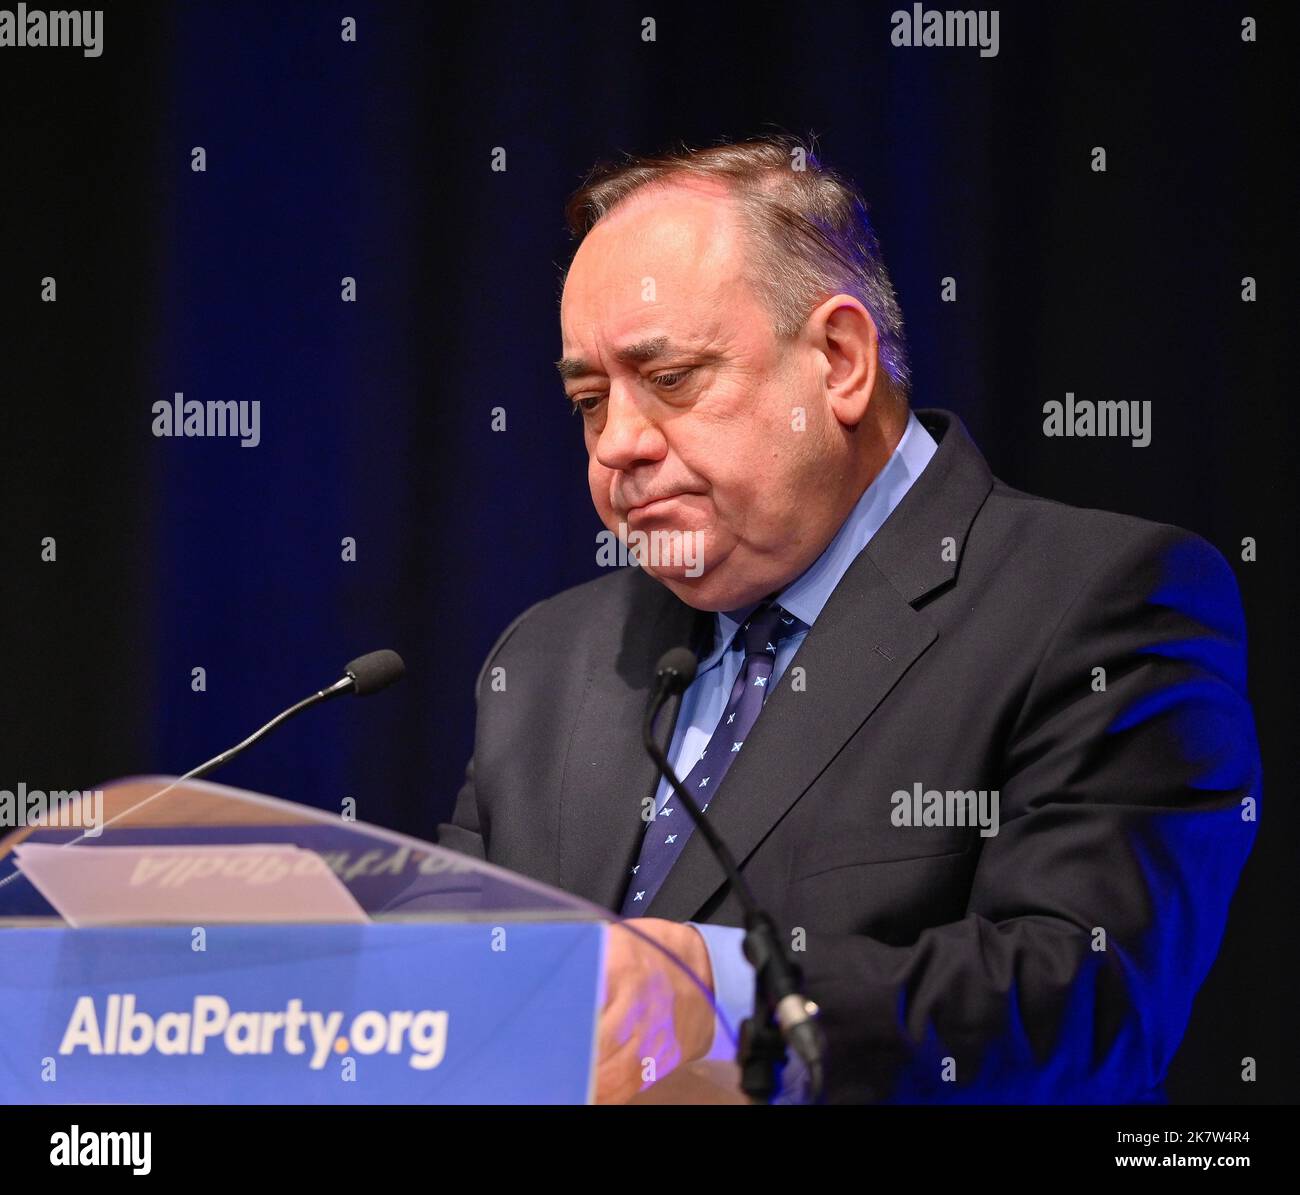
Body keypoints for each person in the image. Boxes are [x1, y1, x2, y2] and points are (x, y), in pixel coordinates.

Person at [437, 136, 1260, 1104]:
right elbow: (453, 989)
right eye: (587, 400)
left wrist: (714, 995)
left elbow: (1080, 1003)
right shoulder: (545, 661)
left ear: (838, 361)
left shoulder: (1101, 604)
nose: (617, 444)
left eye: (670, 381)